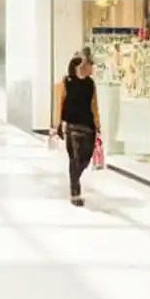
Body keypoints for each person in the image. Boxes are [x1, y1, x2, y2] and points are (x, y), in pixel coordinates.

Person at [56, 54, 100, 207]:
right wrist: (57, 124)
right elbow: (60, 102)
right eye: (86, 65)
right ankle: (75, 190)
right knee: (74, 158)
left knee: (85, 159)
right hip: (71, 125)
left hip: (88, 125)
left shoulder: (90, 84)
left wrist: (98, 124)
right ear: (78, 67)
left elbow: (94, 105)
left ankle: (75, 180)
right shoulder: (66, 82)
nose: (90, 67)